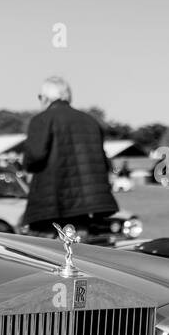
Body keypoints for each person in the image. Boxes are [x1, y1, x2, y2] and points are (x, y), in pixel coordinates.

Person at [20, 76, 117, 236]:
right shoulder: (90, 121)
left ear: (45, 97)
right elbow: (102, 162)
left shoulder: (42, 120)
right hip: (83, 207)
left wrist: (26, 163)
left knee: (43, 256)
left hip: (48, 206)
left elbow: (35, 157)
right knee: (76, 254)